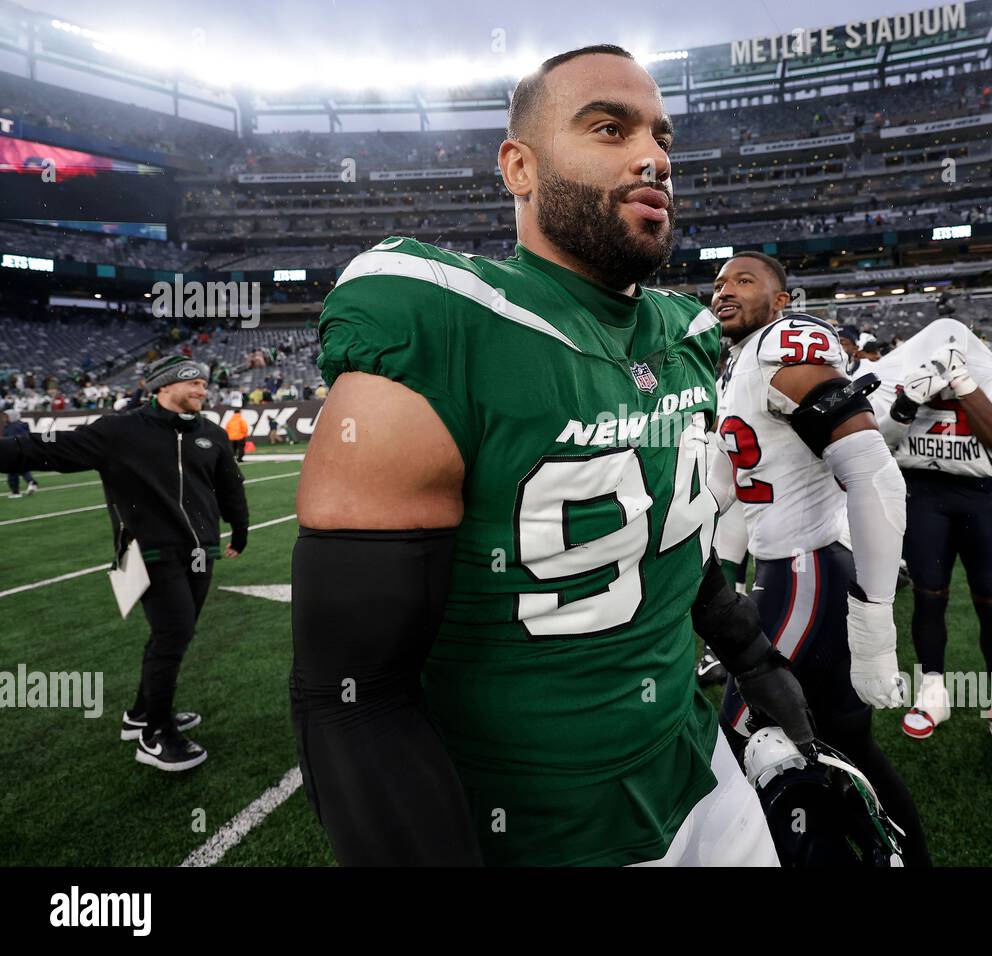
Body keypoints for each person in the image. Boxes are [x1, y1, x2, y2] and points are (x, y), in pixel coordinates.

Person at [291, 44, 815, 867]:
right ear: (519, 166)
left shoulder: (686, 335)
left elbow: (668, 536)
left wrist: (748, 654)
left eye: (663, 138)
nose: (654, 157)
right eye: (608, 128)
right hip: (539, 826)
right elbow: (352, 697)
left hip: (698, 770)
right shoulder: (442, 324)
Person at [708, 252, 929, 865]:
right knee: (846, 740)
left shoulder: (783, 345)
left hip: (805, 572)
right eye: (719, 282)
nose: (724, 290)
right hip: (792, 571)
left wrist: (877, 617)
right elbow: (724, 488)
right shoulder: (737, 365)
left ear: (781, 301)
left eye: (744, 281)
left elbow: (874, 474)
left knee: (748, 743)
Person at [0, 356, 248, 771]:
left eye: (205, 384)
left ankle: (140, 715)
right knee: (174, 632)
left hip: (200, 552)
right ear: (164, 386)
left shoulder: (212, 434)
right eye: (194, 383)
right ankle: (156, 735)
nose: (204, 390)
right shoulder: (119, 430)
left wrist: (239, 530)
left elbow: (230, 487)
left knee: (175, 634)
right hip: (146, 551)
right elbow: (44, 450)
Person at [870, 320, 992, 776]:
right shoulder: (900, 376)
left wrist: (964, 383)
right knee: (929, 597)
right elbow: (880, 446)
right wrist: (907, 401)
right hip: (924, 495)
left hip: (983, 498)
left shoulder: (980, 373)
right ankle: (932, 693)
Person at [2, 408, 39, 498]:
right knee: (22, 469)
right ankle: (31, 482)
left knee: (12, 471)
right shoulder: (21, 425)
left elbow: (10, 440)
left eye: (6, 417)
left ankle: (15, 492)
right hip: (22, 450)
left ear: (11, 417)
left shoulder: (12, 427)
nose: (4, 418)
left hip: (14, 451)